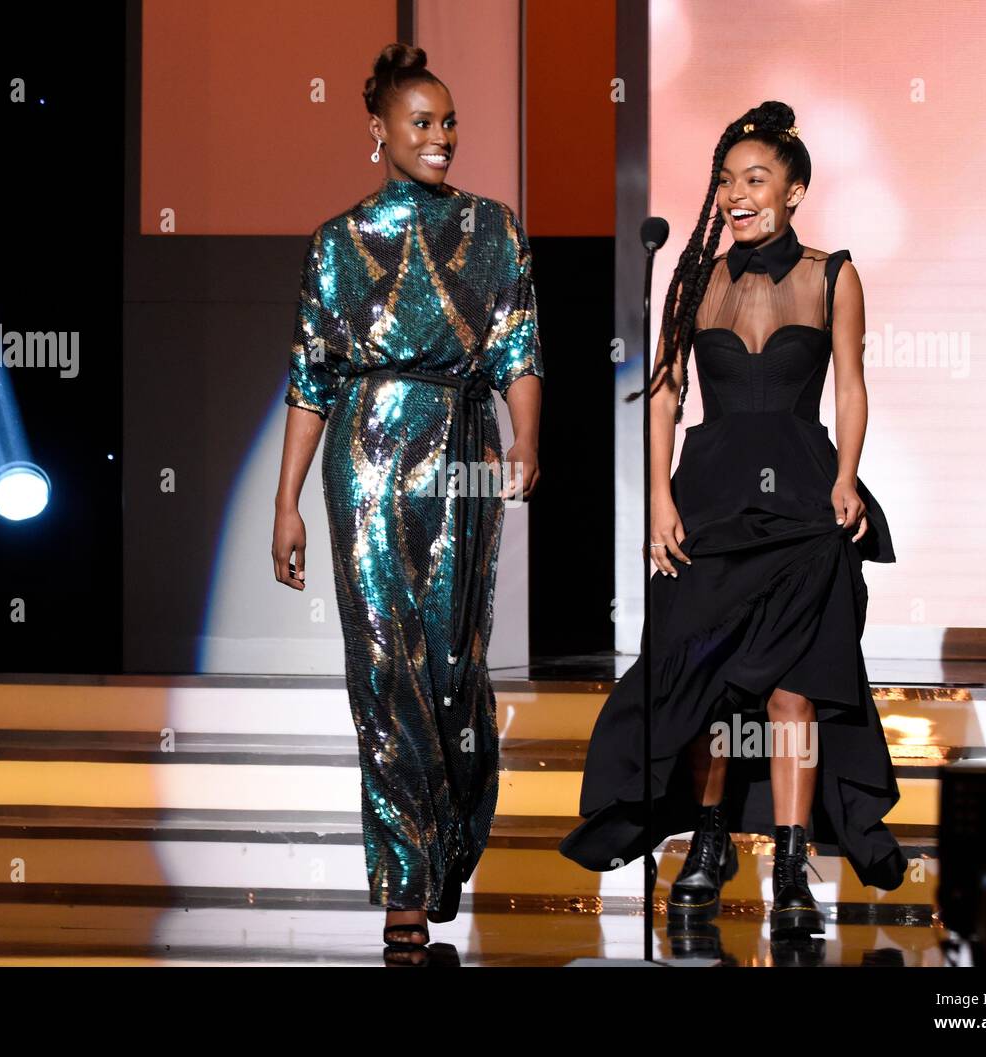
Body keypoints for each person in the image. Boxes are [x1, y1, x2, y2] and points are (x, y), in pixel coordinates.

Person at [559, 101, 905, 937]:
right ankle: (708, 846)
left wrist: (850, 480)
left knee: (793, 695)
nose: (735, 194)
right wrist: (658, 502)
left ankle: (791, 864)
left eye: (755, 180)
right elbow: (664, 399)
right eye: (725, 180)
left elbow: (852, 387)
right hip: (709, 508)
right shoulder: (694, 278)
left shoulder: (833, 274)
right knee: (707, 684)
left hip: (804, 511)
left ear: (795, 191)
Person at [272, 43, 543, 959]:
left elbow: (518, 349)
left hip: (462, 450)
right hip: (367, 453)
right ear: (378, 132)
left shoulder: (497, 229)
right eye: (421, 122)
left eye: (449, 121)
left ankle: (447, 849)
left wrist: (525, 435)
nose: (440, 137)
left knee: (456, 665)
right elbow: (310, 380)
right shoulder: (337, 244)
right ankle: (403, 888)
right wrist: (288, 502)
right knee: (385, 665)